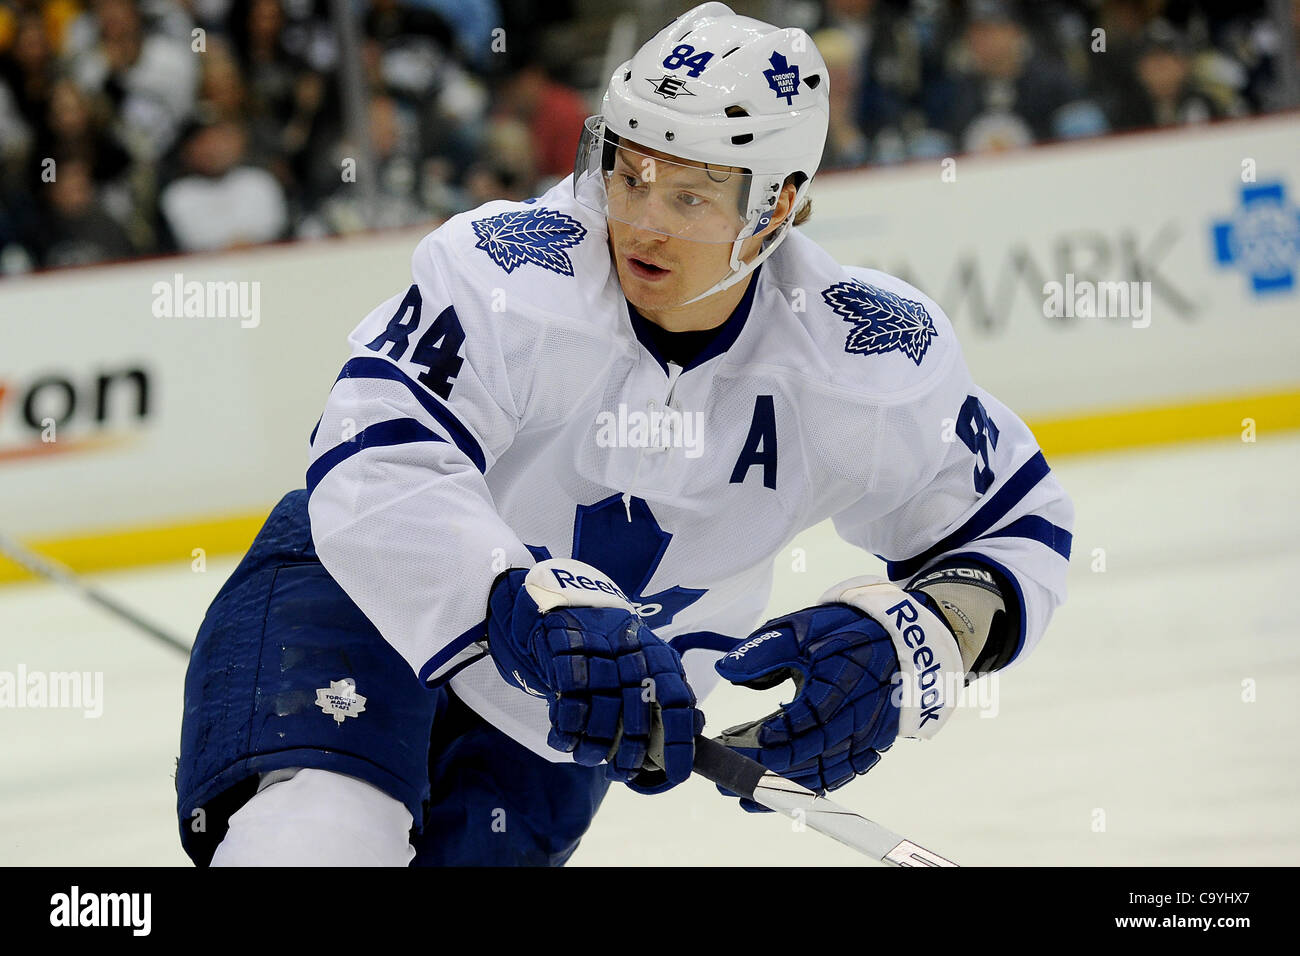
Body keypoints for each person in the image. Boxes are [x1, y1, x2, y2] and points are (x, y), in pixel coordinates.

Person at [177, 2, 1073, 867]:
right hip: (358, 597)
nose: (641, 220)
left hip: (570, 713)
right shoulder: (509, 269)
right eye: (629, 172)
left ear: (778, 206)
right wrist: (508, 598)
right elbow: (374, 452)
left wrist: (916, 640)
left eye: (690, 197)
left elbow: (1014, 527)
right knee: (320, 836)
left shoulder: (862, 363)